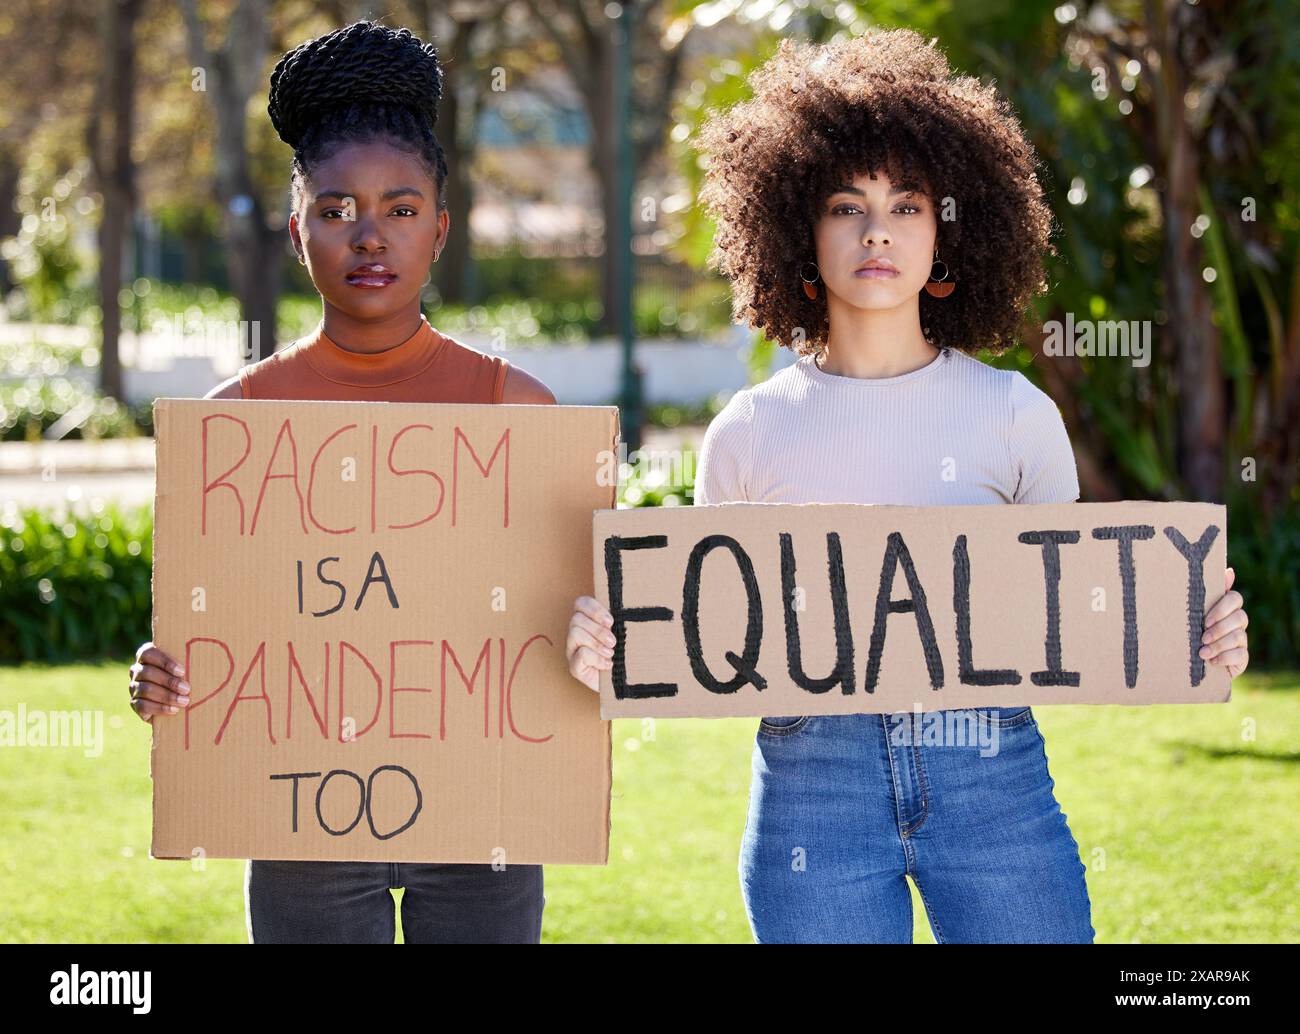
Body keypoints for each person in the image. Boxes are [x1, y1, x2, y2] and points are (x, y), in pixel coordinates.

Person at [565, 28, 1251, 944]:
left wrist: (1191, 632)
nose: (877, 229)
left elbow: (1077, 612)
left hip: (991, 776)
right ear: (798, 233)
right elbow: (709, 641)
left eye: (908, 205)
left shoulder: (1015, 415)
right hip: (815, 788)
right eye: (846, 205)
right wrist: (614, 649)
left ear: (950, 230)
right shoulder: (749, 432)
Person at [128, 21, 558, 944]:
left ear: (440, 228)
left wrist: (593, 634)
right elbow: (220, 618)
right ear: (297, 230)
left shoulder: (518, 407)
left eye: (401, 210)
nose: (370, 237)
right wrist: (165, 673)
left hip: (481, 811)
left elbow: (559, 615)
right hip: (300, 822)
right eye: (336, 211)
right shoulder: (233, 420)